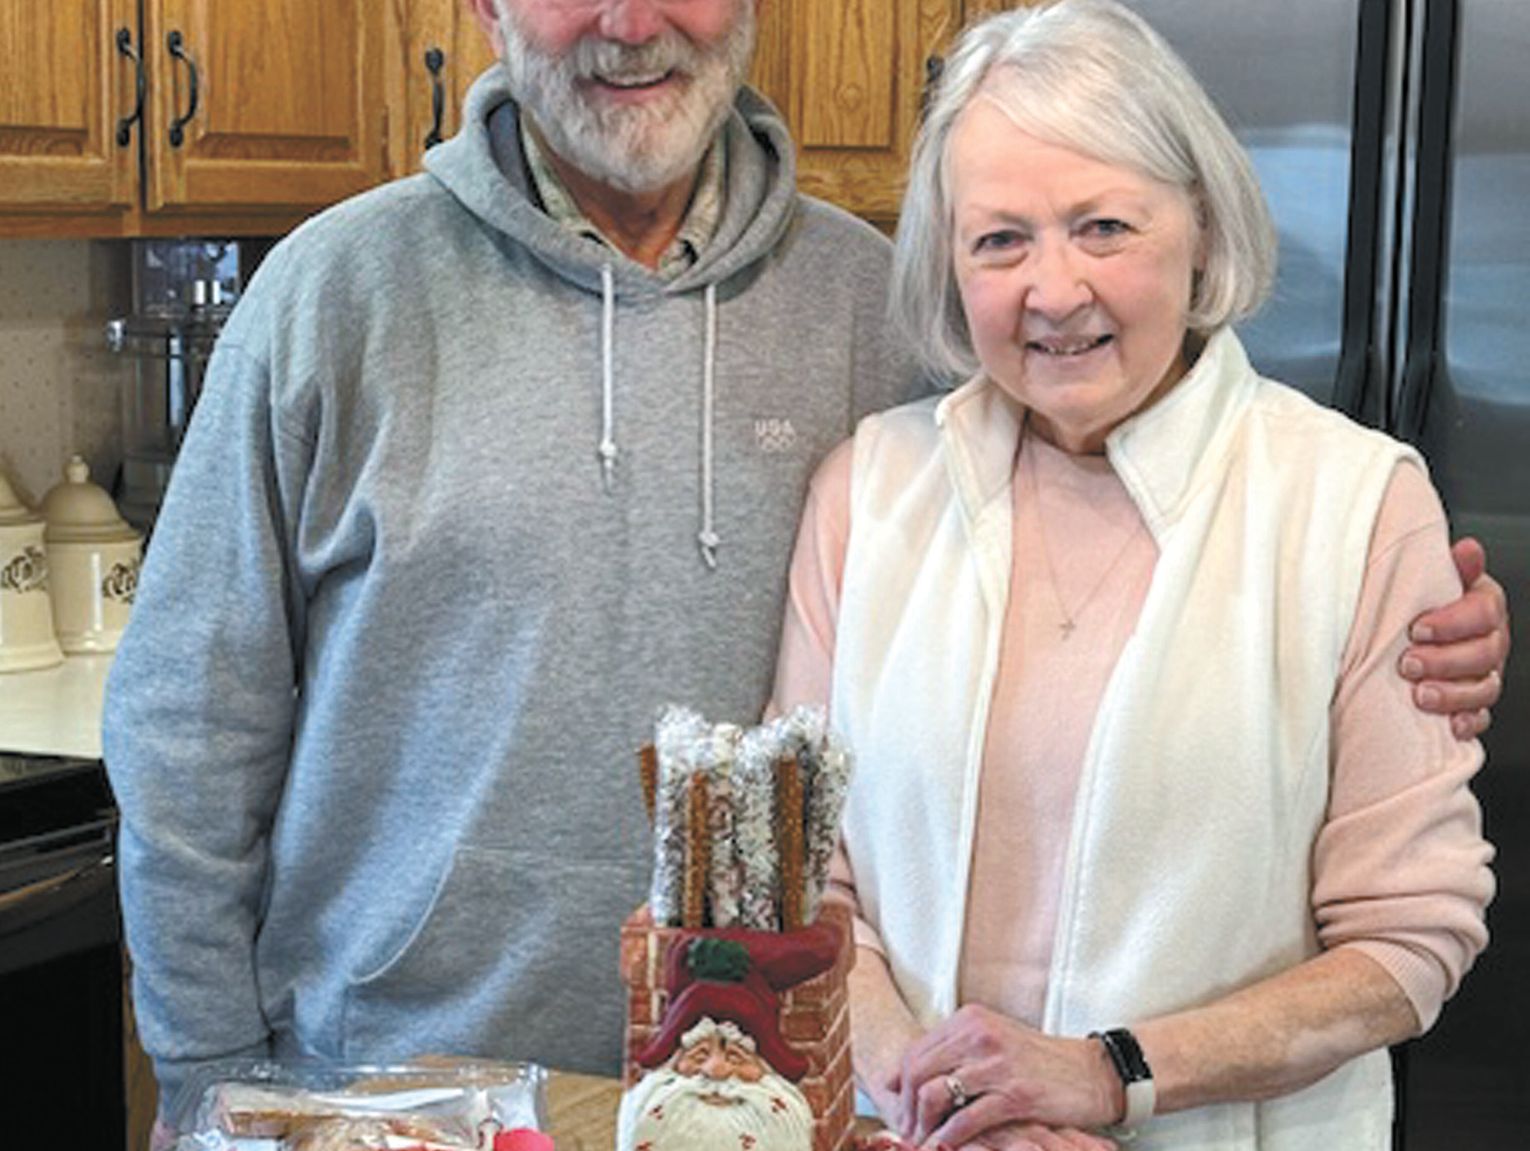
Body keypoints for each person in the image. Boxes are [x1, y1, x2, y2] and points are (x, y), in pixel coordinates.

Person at [103, 0, 1504, 1138]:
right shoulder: (330, 299)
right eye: (1003, 239)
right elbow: (186, 720)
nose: (627, 22)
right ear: (479, 12)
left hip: (763, 1103)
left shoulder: (873, 309)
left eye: (1103, 225)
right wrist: (206, 1076)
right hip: (394, 1091)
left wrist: (1383, 612)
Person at [767, 3, 1498, 1148]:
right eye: (999, 240)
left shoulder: (1354, 502)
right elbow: (806, 882)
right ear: (950, 264)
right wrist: (949, 1096)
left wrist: (1110, 1074)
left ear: (1199, 229)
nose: (1053, 292)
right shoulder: (868, 492)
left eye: (1103, 226)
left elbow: (1408, 943)